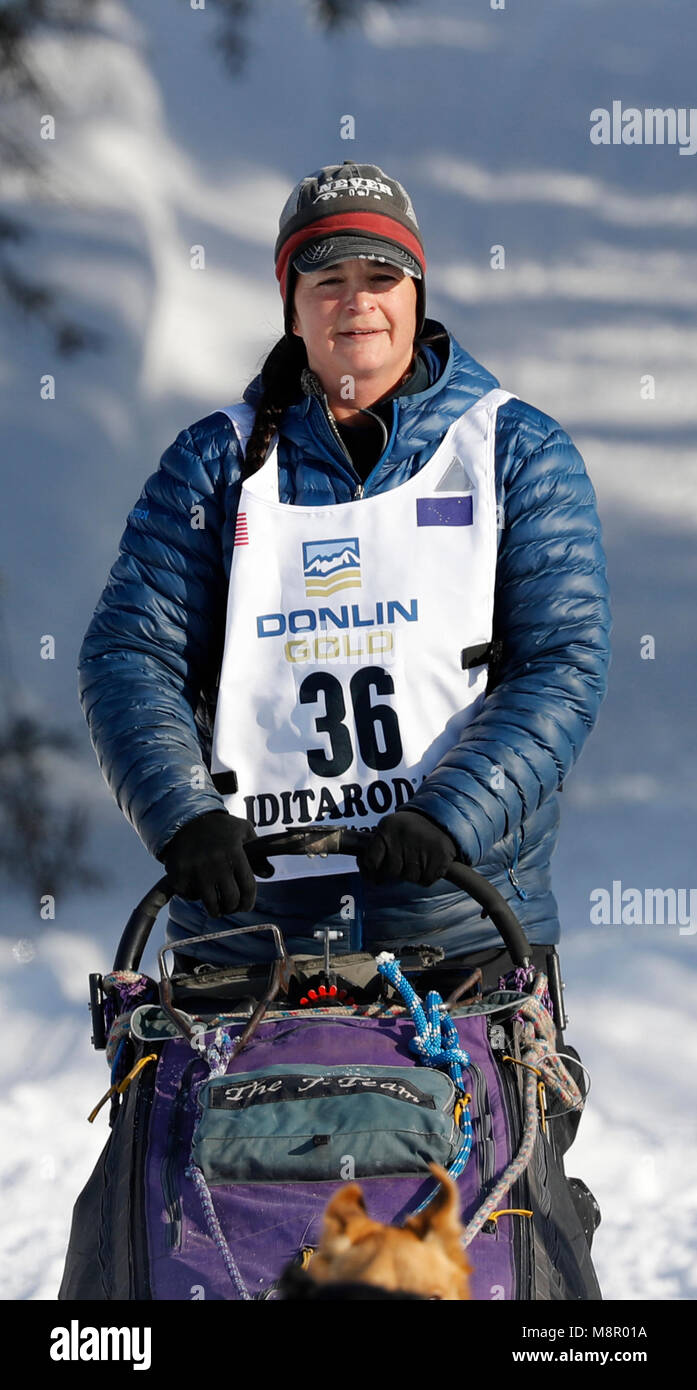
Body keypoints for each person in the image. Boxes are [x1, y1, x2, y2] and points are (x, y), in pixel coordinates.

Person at [78, 160, 611, 981]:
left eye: (381, 276)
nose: (356, 301)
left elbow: (560, 664)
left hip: (459, 925)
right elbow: (130, 655)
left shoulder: (516, 452)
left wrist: (449, 816)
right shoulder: (211, 466)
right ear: (291, 304)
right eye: (328, 278)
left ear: (415, 296)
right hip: (250, 934)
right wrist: (184, 818)